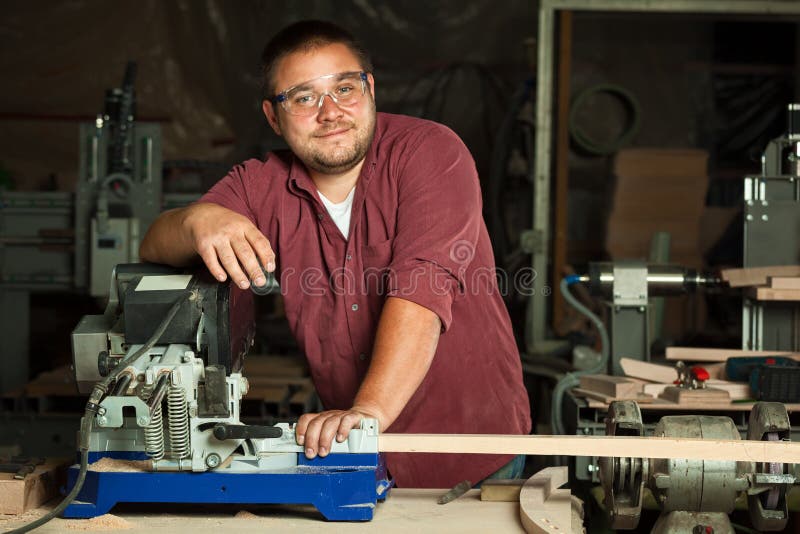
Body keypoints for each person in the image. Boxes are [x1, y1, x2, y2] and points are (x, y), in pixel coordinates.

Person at [139, 20, 530, 488]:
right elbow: (155, 243)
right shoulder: (259, 184)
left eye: (344, 88)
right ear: (272, 116)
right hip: (359, 461)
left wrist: (367, 414)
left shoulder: (431, 153)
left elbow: (422, 293)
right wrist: (198, 220)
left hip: (473, 458)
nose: (330, 112)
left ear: (370, 88)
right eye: (304, 97)